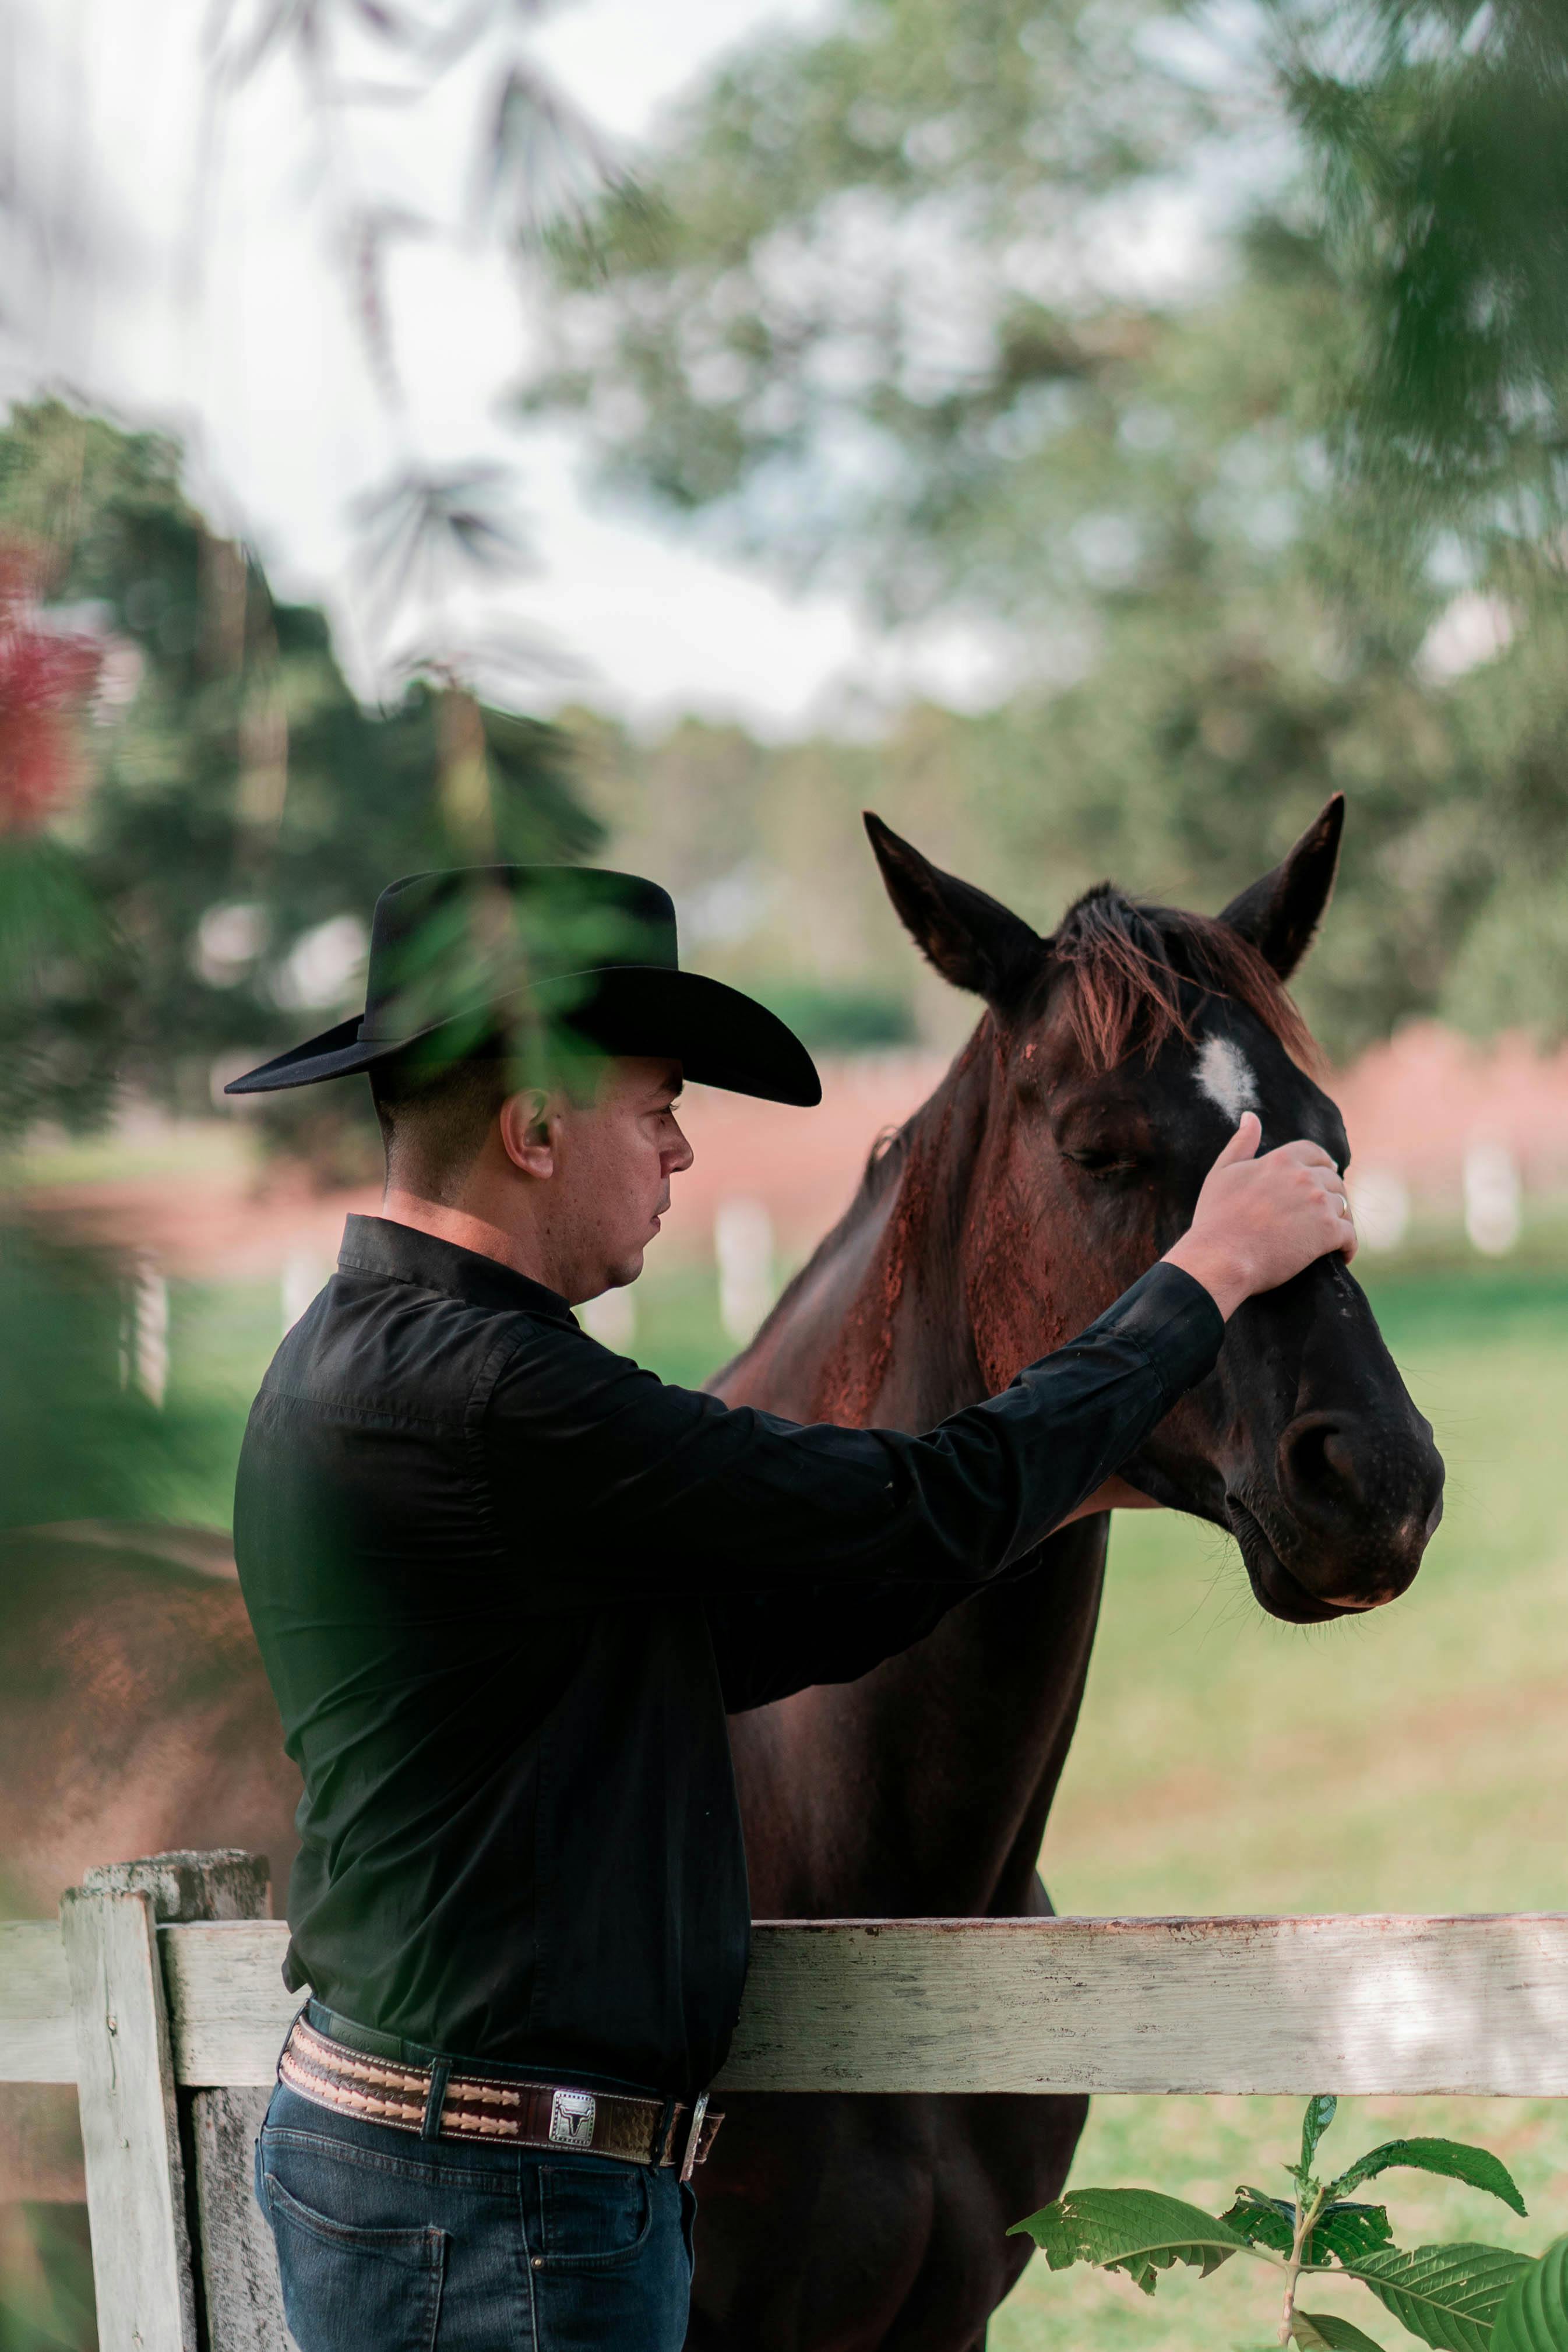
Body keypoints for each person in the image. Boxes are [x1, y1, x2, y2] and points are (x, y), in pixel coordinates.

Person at [227, 862, 1355, 2352]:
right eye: (655, 1108)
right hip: (504, 2210)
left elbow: (768, 1625)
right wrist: (1201, 1273)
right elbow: (892, 1508)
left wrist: (1059, 1486)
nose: (681, 1148)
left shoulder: (362, 1363)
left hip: (477, 2181)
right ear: (536, 1129)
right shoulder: (498, 1395)